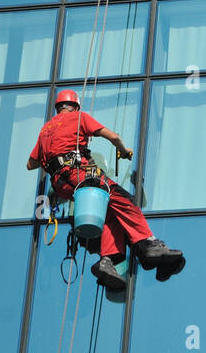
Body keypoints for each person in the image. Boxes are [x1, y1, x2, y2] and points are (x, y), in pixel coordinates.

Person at [27, 89, 185, 292]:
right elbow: (113, 136)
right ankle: (148, 244)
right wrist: (123, 150)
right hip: (80, 175)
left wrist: (55, 154)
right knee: (124, 199)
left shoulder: (45, 130)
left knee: (109, 213)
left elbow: (31, 164)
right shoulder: (79, 117)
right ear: (75, 106)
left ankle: (107, 260)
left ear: (58, 107)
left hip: (62, 185)